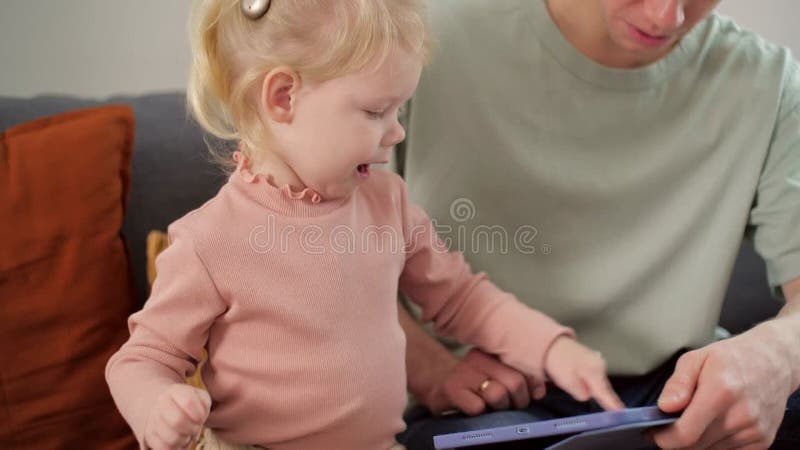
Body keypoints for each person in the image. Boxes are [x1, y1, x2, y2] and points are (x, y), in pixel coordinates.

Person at [104, 1, 626, 449]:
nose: (396, 132)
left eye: (400, 110)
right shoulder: (209, 241)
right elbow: (139, 361)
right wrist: (156, 406)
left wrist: (552, 348)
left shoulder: (387, 202)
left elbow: (462, 299)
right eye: (377, 111)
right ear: (283, 97)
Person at [396, 0, 800, 449]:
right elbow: (316, 237)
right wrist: (428, 367)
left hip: (672, 391)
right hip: (483, 396)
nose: (667, 17)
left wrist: (780, 352)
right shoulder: (420, 35)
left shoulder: (771, 84)